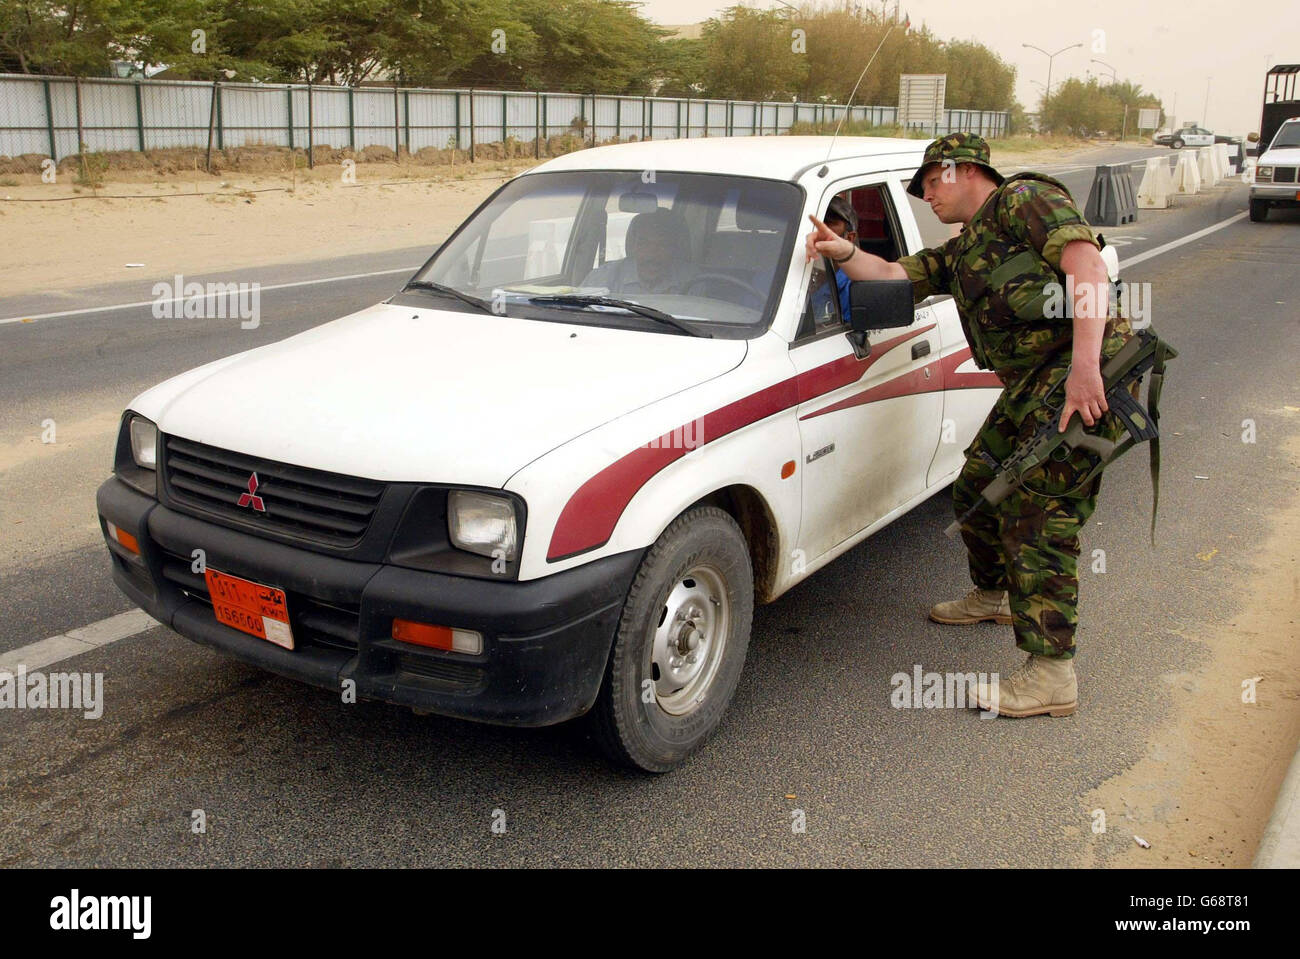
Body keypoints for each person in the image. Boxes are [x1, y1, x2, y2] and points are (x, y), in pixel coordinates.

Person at [805, 132, 1134, 718]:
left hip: (1088, 373)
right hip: (1036, 383)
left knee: (1036, 510)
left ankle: (1052, 676)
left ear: (961, 170)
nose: (926, 196)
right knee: (978, 485)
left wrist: (1086, 368)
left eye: (932, 183)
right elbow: (890, 274)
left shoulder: (1023, 199)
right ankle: (993, 594)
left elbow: (1085, 265)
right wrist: (841, 252)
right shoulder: (963, 250)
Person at [582, 208, 696, 295]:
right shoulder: (602, 279)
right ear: (633, 246)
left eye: (662, 245)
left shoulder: (693, 282)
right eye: (644, 244)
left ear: (673, 249)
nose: (652, 254)